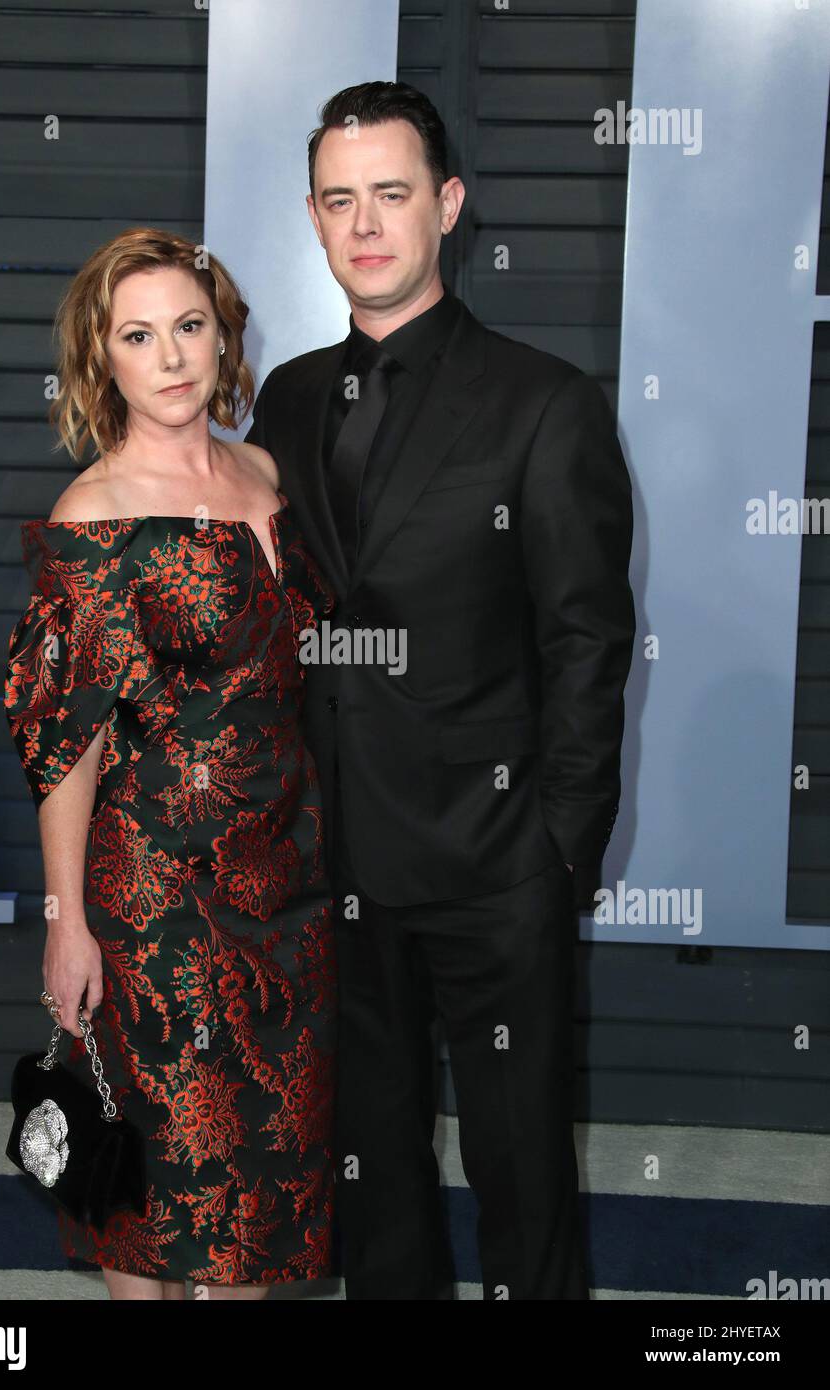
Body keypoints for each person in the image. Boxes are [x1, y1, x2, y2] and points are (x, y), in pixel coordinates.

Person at [245, 81, 636, 1300]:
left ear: (449, 205)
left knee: (522, 1167)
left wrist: (557, 847)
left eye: (393, 195)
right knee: (370, 1167)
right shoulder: (289, 397)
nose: (366, 224)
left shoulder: (544, 403)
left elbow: (586, 638)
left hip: (492, 860)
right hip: (335, 858)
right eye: (340, 200)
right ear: (313, 218)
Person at [3, 228, 337, 1301]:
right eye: (139, 336)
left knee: (259, 1187)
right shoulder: (93, 513)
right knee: (159, 1192)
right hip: (154, 900)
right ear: (105, 360)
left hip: (284, 882)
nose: (173, 355)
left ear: (219, 332)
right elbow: (67, 747)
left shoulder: (266, 474)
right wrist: (67, 921)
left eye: (188, 326)